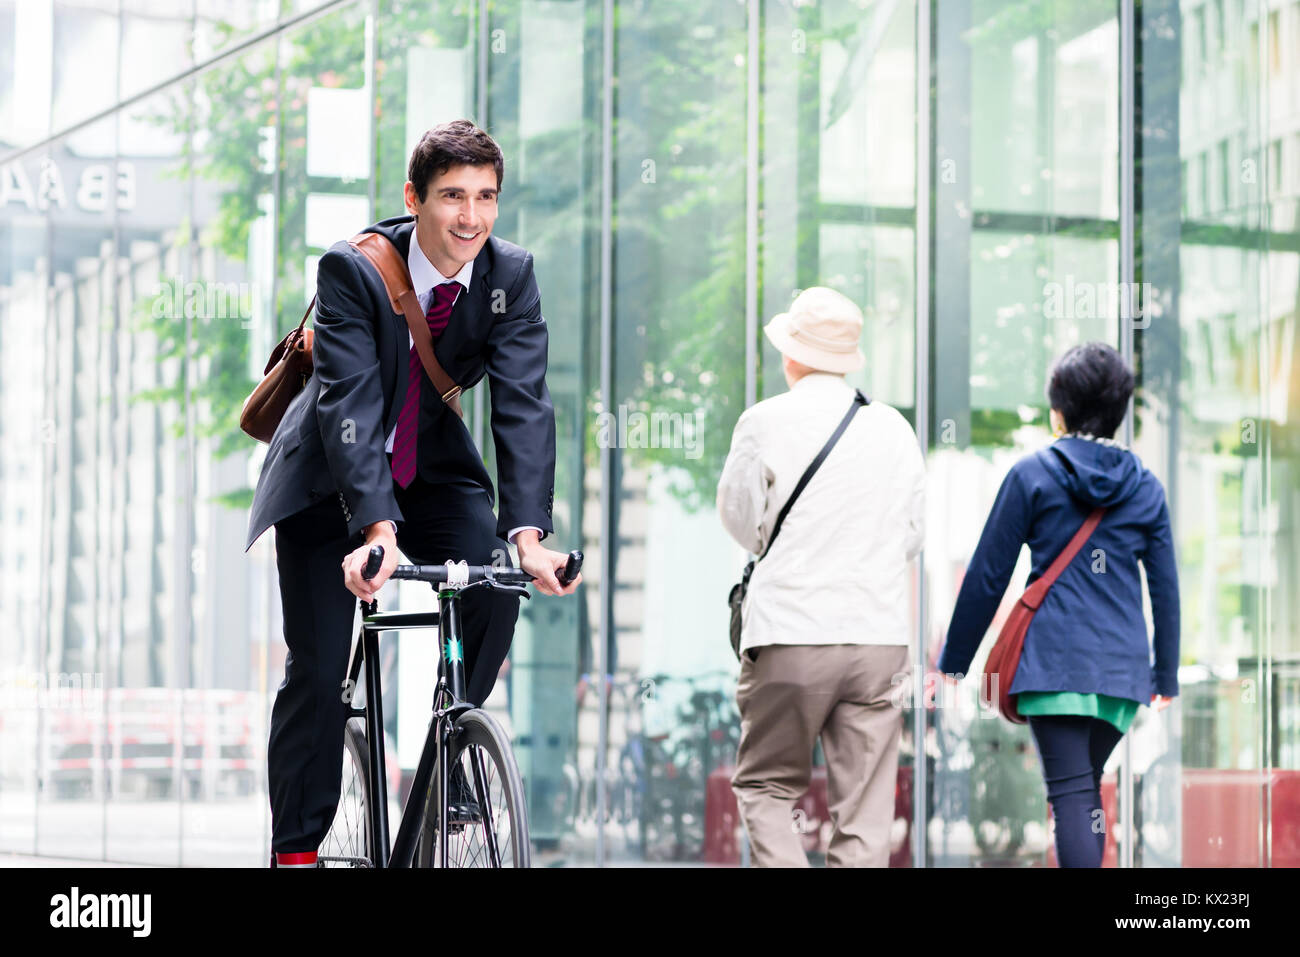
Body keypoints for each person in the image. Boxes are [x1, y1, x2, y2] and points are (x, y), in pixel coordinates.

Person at [244, 120, 581, 868]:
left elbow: (525, 405)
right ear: (414, 198)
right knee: (321, 664)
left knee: (493, 580)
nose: (471, 216)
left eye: (486, 197)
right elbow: (349, 407)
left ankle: (448, 755)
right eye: (453, 195)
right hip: (333, 480)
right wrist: (377, 529)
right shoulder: (355, 270)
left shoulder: (509, 276)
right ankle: (296, 848)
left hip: (430, 471)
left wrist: (528, 538)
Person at [936, 341, 1179, 868]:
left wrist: (955, 660)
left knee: (1073, 795)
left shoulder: (1033, 475)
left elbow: (988, 574)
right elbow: (1165, 588)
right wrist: (1166, 677)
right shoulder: (1147, 489)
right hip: (1121, 675)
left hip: (1054, 667)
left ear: (1059, 410)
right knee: (1081, 792)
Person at [716, 286, 926, 867]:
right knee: (864, 813)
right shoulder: (895, 430)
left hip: (790, 630)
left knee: (766, 786)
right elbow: (912, 533)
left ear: (792, 355)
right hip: (878, 636)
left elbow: (740, 520)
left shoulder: (764, 422)